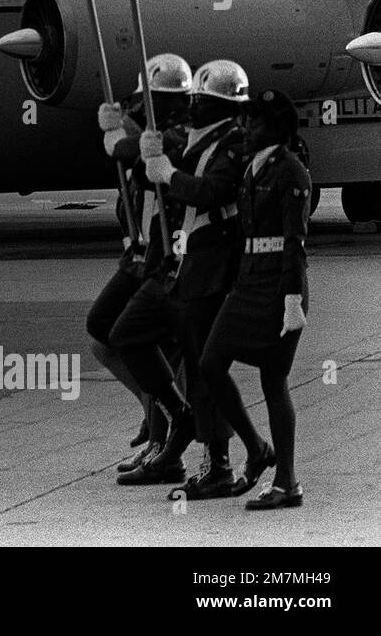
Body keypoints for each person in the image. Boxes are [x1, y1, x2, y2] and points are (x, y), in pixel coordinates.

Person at [140, 60, 249, 498]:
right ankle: (186, 434)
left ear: (224, 106)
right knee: (141, 338)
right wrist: (134, 141)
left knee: (205, 369)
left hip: (212, 269)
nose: (194, 106)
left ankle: (219, 462)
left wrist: (167, 173)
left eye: (203, 101)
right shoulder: (203, 138)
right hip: (187, 265)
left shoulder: (233, 145)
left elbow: (210, 193)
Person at [200, 89, 312, 510]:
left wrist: (291, 299)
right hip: (247, 286)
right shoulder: (251, 169)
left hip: (276, 288)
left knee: (273, 379)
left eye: (256, 122)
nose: (246, 129)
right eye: (246, 121)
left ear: (276, 129)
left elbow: (294, 243)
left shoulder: (290, 171)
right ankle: (256, 446)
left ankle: (287, 482)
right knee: (211, 362)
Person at [91, 55, 192, 471]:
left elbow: (145, 155)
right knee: (106, 337)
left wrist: (122, 139)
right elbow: (133, 154)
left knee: (141, 343)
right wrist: (118, 125)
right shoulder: (154, 132)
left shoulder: (183, 134)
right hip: (141, 256)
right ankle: (159, 416)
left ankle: (169, 427)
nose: (140, 107)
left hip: (172, 259)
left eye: (149, 101)